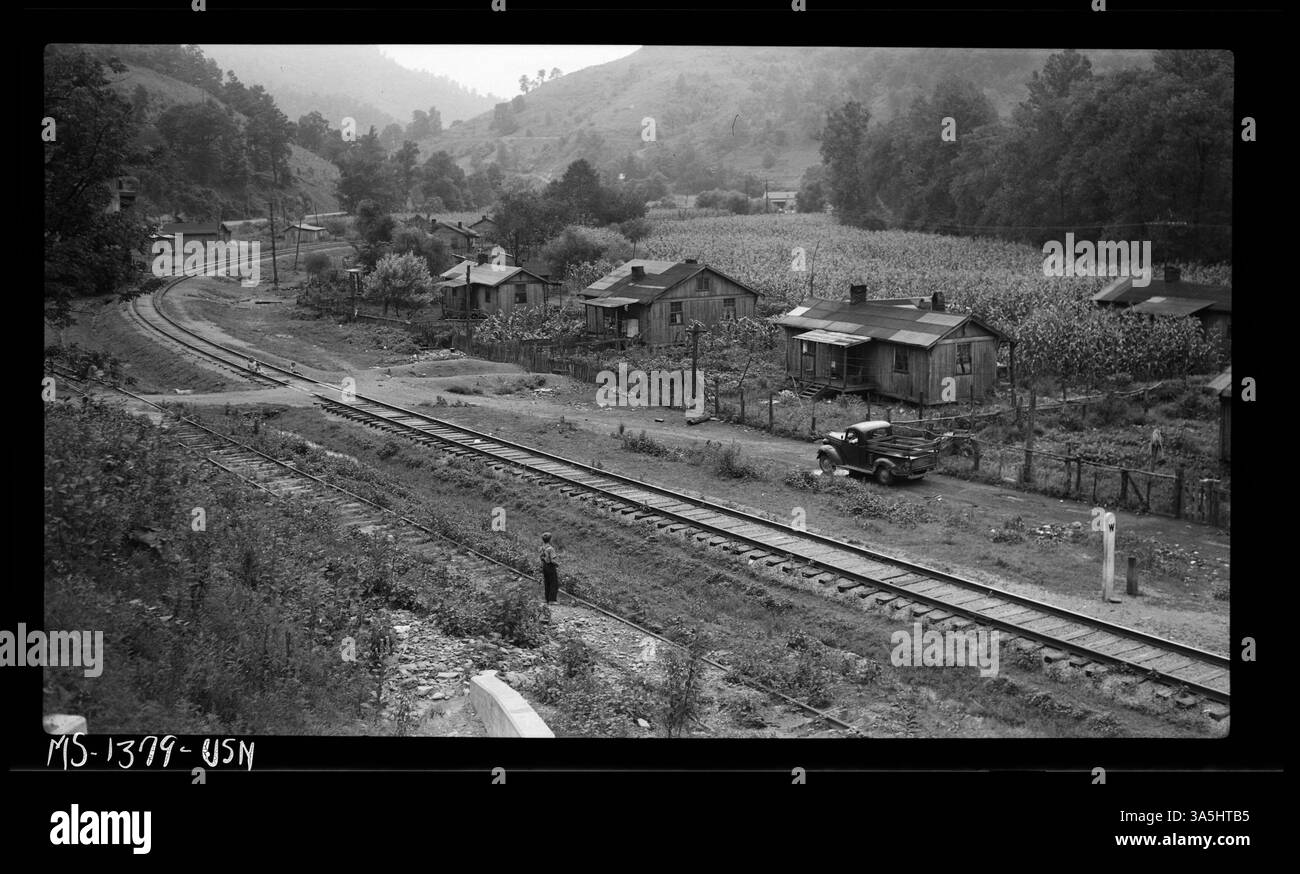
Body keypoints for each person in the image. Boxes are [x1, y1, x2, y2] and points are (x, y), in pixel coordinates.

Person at [539, 532, 560, 611]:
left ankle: (547, 599)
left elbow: (541, 558)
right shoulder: (550, 549)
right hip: (550, 567)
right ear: (550, 539)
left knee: (547, 582)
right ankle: (552, 600)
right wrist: (558, 564)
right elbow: (552, 560)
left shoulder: (542, 548)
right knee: (554, 583)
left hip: (544, 566)